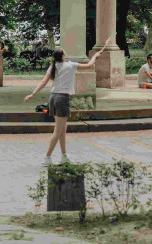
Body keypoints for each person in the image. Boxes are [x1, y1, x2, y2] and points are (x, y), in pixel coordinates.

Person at [24, 36, 111, 165]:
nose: (66, 53)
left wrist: (32, 94)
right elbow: (89, 65)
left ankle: (64, 156)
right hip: (62, 99)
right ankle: (47, 158)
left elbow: (43, 82)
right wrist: (95, 56)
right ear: (63, 56)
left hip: (53, 97)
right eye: (65, 52)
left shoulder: (53, 67)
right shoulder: (70, 65)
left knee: (63, 129)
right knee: (58, 131)